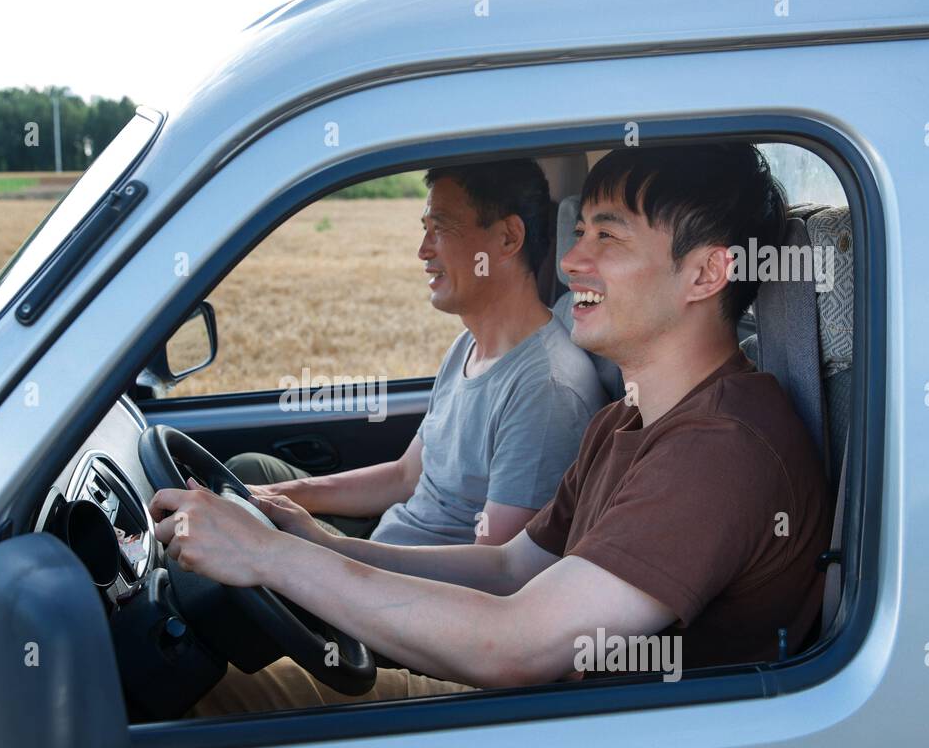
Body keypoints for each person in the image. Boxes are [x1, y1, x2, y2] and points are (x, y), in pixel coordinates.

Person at [152, 143, 832, 715]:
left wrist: (272, 558)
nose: (569, 263)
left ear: (708, 272)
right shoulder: (626, 419)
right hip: (549, 713)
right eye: (580, 233)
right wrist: (318, 541)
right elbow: (511, 567)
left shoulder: (719, 452)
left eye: (608, 236)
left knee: (211, 691)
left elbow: (516, 644)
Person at [227, 159, 607, 546]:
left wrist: (323, 551)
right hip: (386, 543)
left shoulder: (545, 389)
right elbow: (406, 477)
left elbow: (491, 573)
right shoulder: (468, 346)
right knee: (247, 472)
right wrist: (277, 496)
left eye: (440, 228)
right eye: (425, 229)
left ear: (508, 238)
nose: (423, 251)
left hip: (403, 587)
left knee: (236, 530)